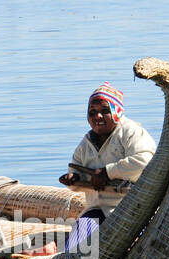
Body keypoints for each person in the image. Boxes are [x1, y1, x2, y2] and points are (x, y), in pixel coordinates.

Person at [59, 83, 155, 248]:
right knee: (72, 250)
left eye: (105, 111)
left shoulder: (130, 132)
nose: (98, 116)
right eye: (93, 112)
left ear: (116, 112)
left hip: (133, 209)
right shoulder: (86, 143)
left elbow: (146, 160)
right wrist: (74, 179)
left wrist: (108, 173)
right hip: (97, 210)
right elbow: (76, 168)